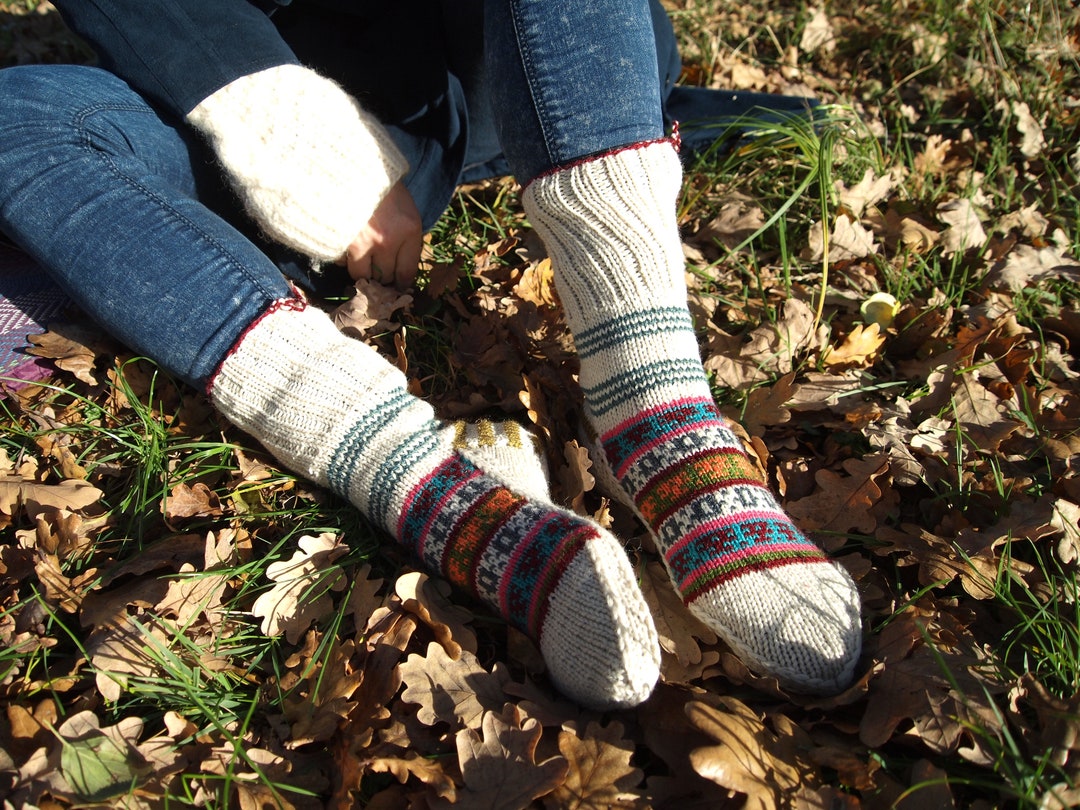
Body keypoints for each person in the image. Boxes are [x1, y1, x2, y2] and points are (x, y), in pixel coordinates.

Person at [0, 0, 861, 709]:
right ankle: (416, 480)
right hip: (221, 102)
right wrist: (296, 140)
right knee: (18, 116)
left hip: (485, 67)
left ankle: (655, 407)